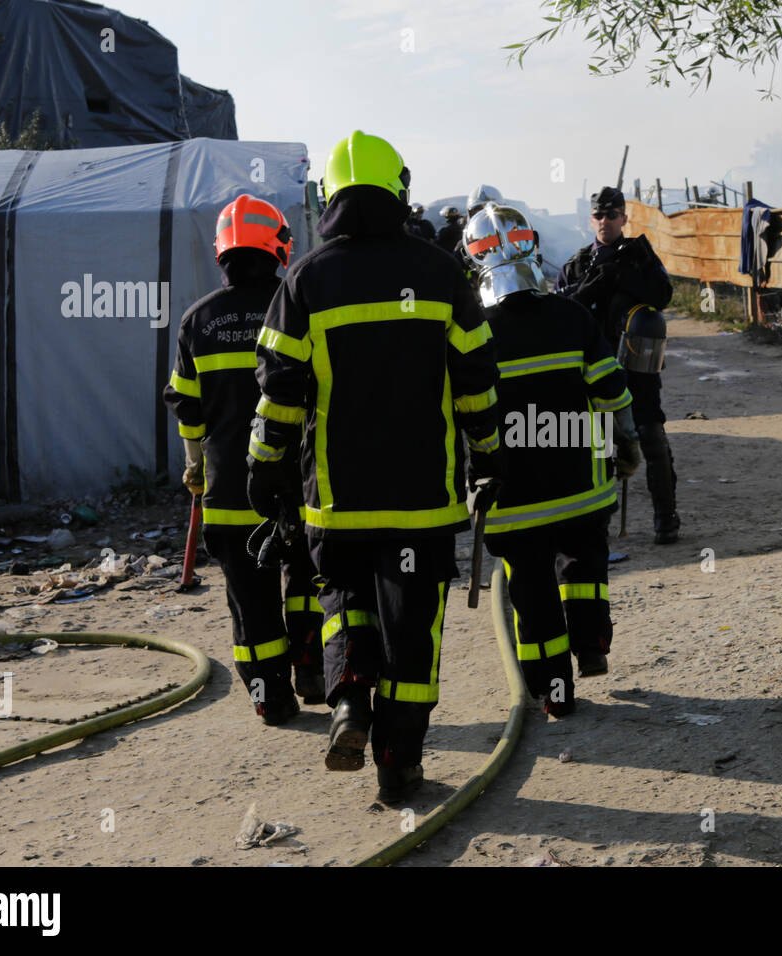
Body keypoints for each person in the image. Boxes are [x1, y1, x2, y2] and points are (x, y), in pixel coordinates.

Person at [247, 131, 503, 803]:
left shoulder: (305, 279)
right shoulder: (443, 273)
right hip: (424, 503)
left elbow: (278, 394)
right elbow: (477, 379)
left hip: (337, 502)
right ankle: (398, 762)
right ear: (400, 191)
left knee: (344, 601)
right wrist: (491, 455)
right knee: (413, 629)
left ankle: (348, 703)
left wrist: (262, 467)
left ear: (329, 196)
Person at [464, 202, 640, 711]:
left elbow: (463, 414)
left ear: (475, 261)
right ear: (532, 246)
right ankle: (591, 643)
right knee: (585, 562)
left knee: (533, 592)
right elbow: (612, 390)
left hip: (514, 499)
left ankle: (553, 693)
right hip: (581, 488)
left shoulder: (474, 334)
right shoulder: (572, 315)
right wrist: (625, 447)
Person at [162, 194, 323, 726]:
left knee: (250, 602)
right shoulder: (299, 305)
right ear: (279, 247)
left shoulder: (196, 320)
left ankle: (270, 698)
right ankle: (312, 666)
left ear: (221, 252)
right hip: (300, 489)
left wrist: (195, 465)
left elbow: (188, 407)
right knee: (307, 578)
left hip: (231, 493)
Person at [555, 186, 680, 544]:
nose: (605, 221)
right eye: (599, 215)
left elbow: (663, 295)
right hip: (594, 371)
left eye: (612, 214)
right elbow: (560, 315)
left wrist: (623, 275)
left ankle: (666, 519)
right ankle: (597, 527)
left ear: (624, 218)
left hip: (637, 367)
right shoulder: (577, 263)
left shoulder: (638, 255)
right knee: (598, 450)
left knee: (653, 440)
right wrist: (586, 289)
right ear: (590, 219)